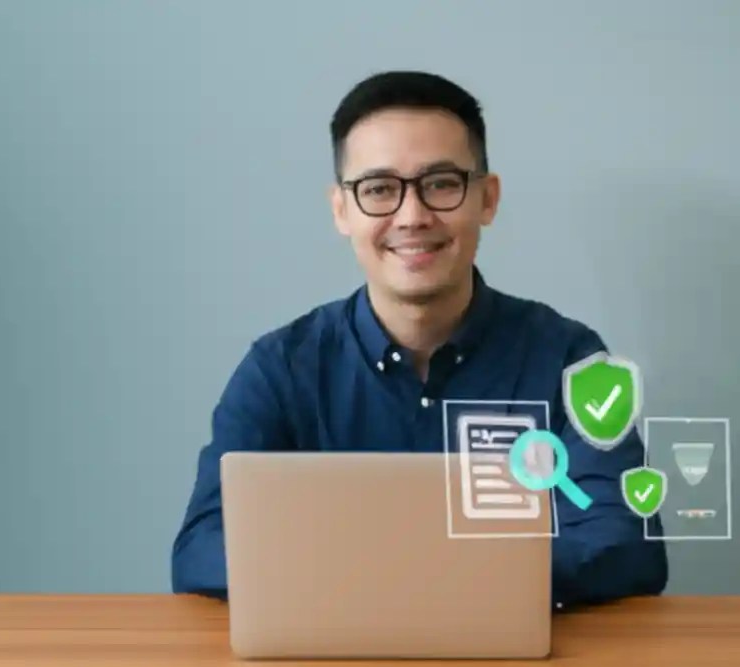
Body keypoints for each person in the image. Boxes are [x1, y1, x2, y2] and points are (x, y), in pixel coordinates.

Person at [170, 70, 667, 611]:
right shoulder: (281, 368)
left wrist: (393, 576)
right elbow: (201, 550)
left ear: (488, 199)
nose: (412, 216)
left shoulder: (571, 361)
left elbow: (626, 545)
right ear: (342, 210)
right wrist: (438, 575)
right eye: (379, 189)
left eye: (441, 183)